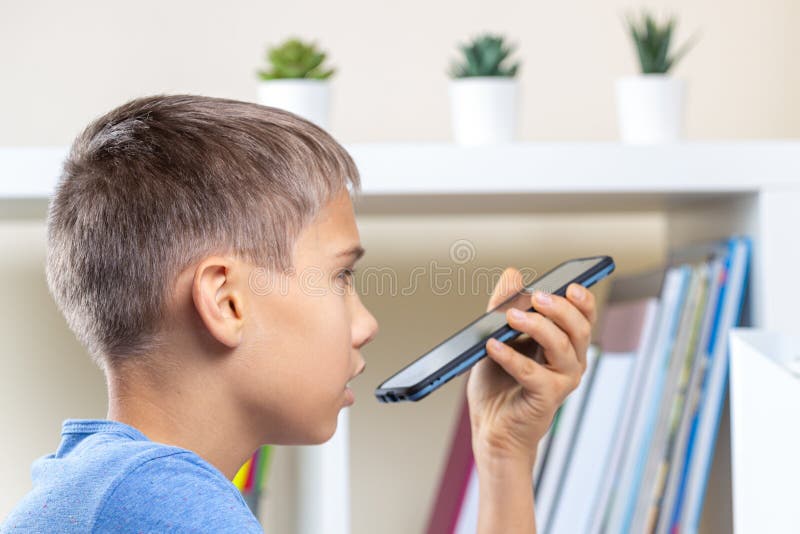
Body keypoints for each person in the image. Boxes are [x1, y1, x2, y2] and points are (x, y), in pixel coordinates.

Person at [0, 95, 595, 533]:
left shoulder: (99, 486)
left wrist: (502, 451)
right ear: (226, 302)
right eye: (340, 277)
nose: (366, 325)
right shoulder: (164, 501)